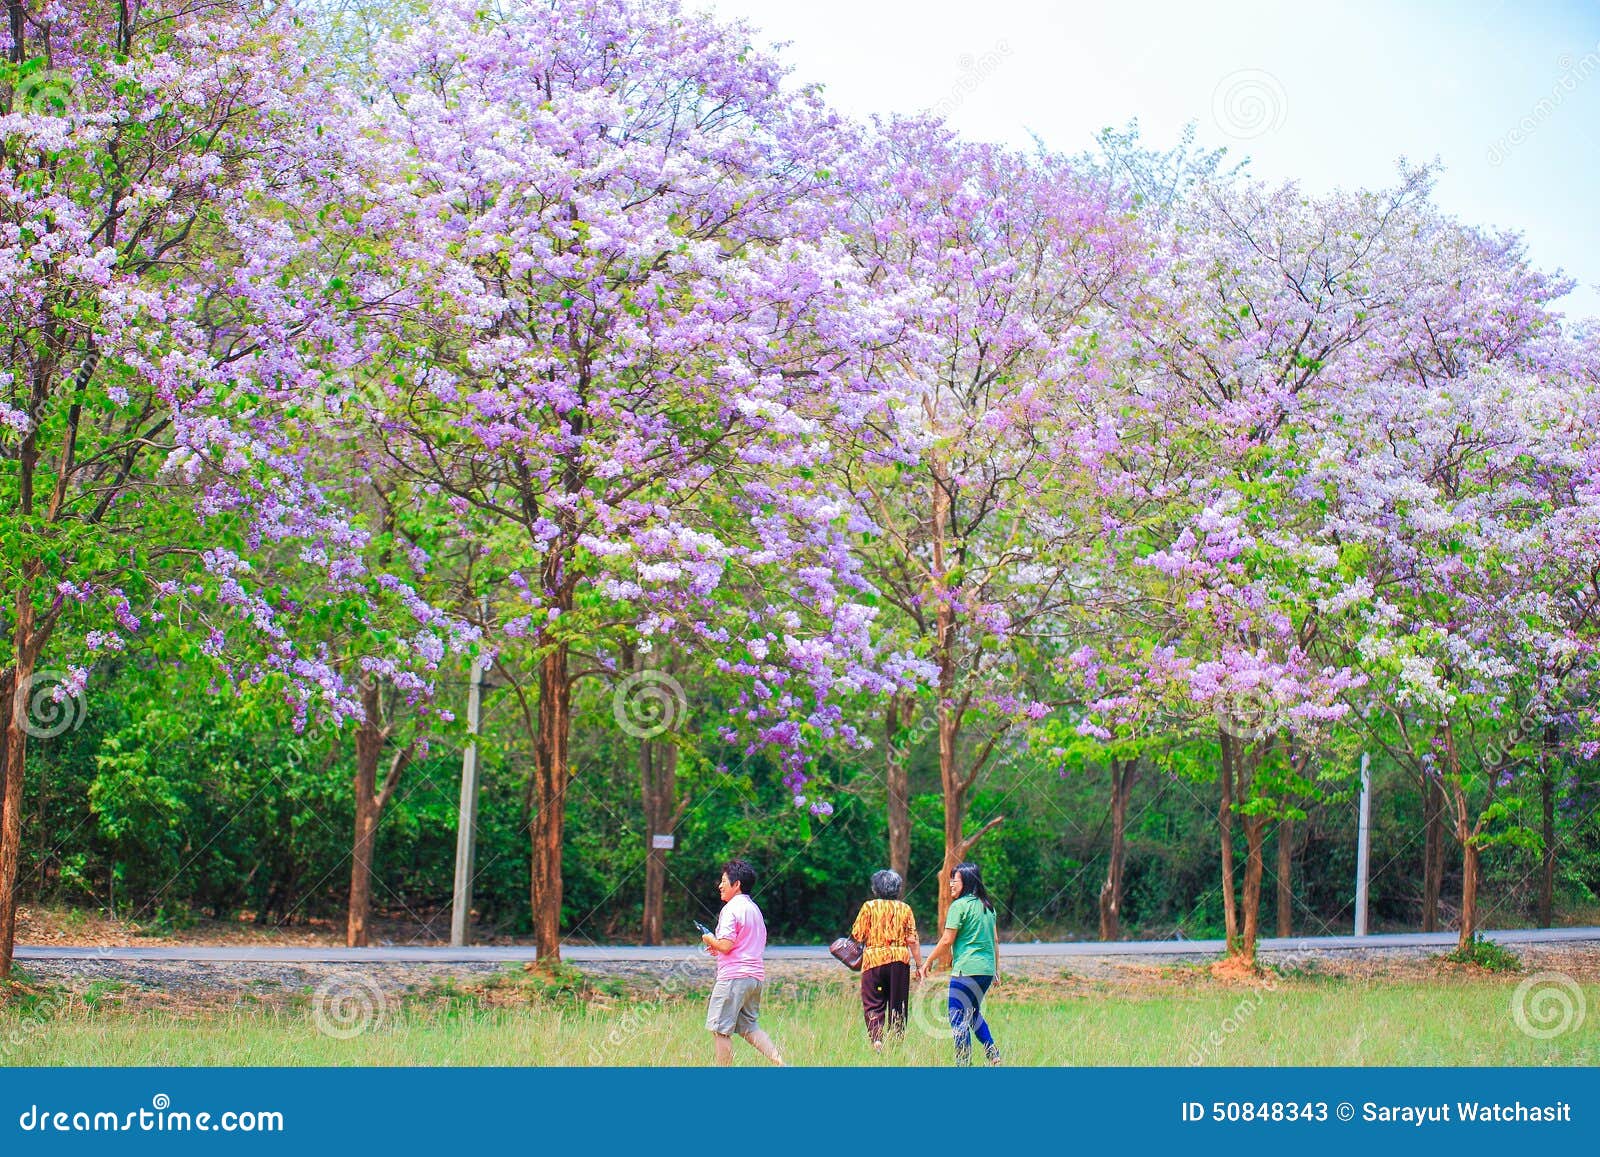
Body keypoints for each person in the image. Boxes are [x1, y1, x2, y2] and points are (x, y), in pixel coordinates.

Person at [701, 858, 784, 1066]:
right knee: (749, 1027)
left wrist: (710, 939)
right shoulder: (754, 910)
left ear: (736, 884)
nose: (720, 886)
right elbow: (744, 943)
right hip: (754, 977)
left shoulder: (731, 909)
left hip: (733, 977)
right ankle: (781, 1064)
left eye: (723, 881)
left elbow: (726, 945)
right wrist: (718, 947)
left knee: (720, 1030)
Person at [921, 861, 1001, 1066]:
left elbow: (947, 940)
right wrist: (996, 970)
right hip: (986, 971)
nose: (950, 884)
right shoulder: (988, 907)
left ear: (967, 882)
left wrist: (928, 961)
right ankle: (993, 1053)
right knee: (972, 1013)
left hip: (966, 970)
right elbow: (995, 941)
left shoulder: (959, 906)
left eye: (954, 881)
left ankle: (963, 1063)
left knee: (957, 1016)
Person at [850, 868, 922, 1050]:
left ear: (876, 888)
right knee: (898, 1004)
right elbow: (912, 940)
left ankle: (877, 1039)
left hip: (873, 961)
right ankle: (896, 1044)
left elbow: (858, 935)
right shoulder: (905, 909)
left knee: (873, 1002)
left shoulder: (869, 907)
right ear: (897, 888)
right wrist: (920, 965)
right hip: (899, 962)